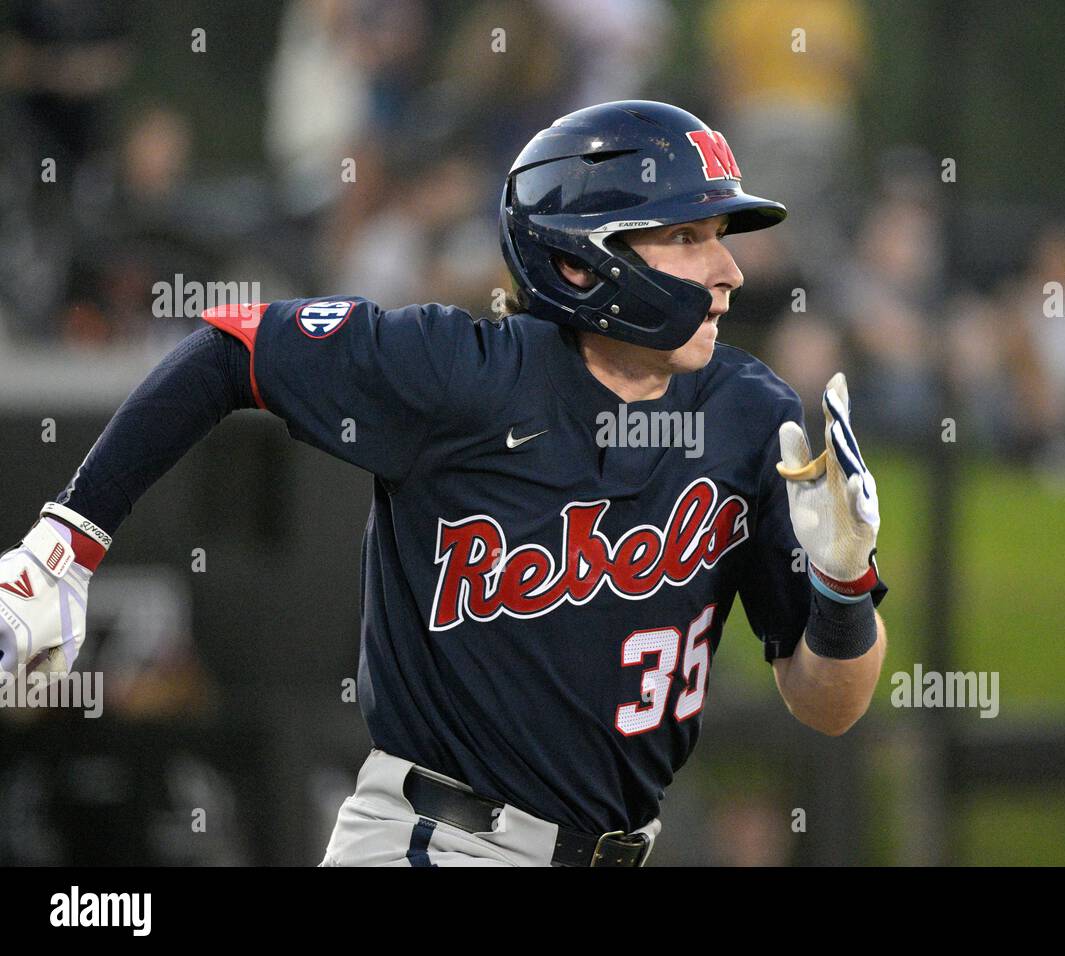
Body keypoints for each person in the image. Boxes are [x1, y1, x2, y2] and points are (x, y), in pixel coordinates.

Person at [0, 101, 889, 867]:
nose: (730, 270)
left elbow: (828, 705)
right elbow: (231, 347)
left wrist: (844, 587)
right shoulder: (464, 372)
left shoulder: (746, 414)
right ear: (584, 260)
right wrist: (66, 544)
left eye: (720, 238)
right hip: (437, 842)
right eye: (689, 238)